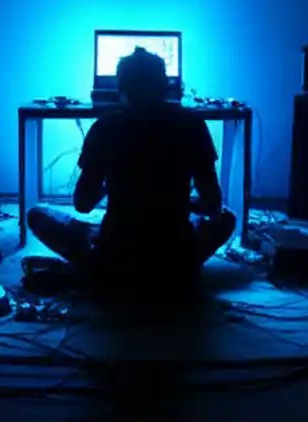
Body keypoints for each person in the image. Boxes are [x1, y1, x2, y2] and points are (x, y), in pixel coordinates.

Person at [26, 47, 237, 293]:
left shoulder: (105, 127)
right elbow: (212, 205)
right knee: (228, 218)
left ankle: (98, 270)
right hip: (176, 258)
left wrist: (114, 188)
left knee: (37, 214)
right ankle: (173, 276)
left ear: (122, 88)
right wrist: (173, 200)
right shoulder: (193, 125)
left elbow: (83, 203)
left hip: (114, 257)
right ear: (165, 85)